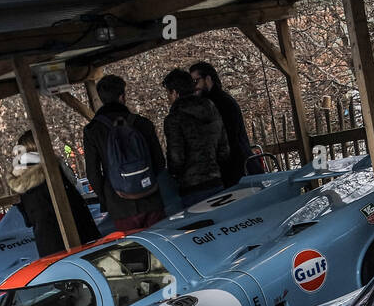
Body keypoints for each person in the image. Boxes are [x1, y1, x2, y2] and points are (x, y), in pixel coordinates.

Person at [83, 74, 167, 233]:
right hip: (151, 199)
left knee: (138, 252)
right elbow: (159, 162)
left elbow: (93, 173)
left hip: (120, 205)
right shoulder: (142, 123)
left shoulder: (93, 131)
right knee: (163, 243)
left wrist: (108, 197)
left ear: (101, 99)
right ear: (122, 96)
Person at [9, 130, 101, 257]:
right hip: (74, 235)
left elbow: (29, 219)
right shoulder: (51, 168)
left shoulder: (21, 176)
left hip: (48, 243)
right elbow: (72, 203)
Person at [162, 68, 229, 207]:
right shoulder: (211, 108)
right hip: (217, 181)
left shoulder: (174, 119)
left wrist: (174, 174)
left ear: (174, 93)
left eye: (168, 93)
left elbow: (176, 158)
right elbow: (224, 151)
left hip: (192, 188)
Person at [190, 61, 256, 185]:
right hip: (236, 167)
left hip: (236, 170)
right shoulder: (218, 101)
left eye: (195, 81)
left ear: (208, 79)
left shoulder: (218, 103)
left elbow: (227, 138)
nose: (193, 87)